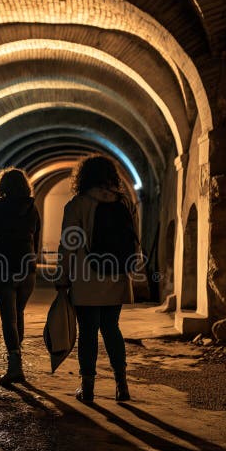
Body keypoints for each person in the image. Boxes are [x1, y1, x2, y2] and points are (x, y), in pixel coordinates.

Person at [56, 155, 140, 403]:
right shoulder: (124, 203)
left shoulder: (77, 205)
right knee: (112, 328)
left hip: (86, 278)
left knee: (88, 332)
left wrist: (62, 276)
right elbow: (134, 240)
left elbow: (67, 245)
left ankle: (88, 388)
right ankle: (122, 386)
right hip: (116, 276)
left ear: (83, 177)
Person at [0, 168, 41, 387]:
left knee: (9, 318)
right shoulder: (32, 208)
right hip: (27, 268)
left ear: (2, 186)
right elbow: (36, 241)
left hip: (4, 267)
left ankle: (14, 366)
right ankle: (16, 362)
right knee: (18, 314)